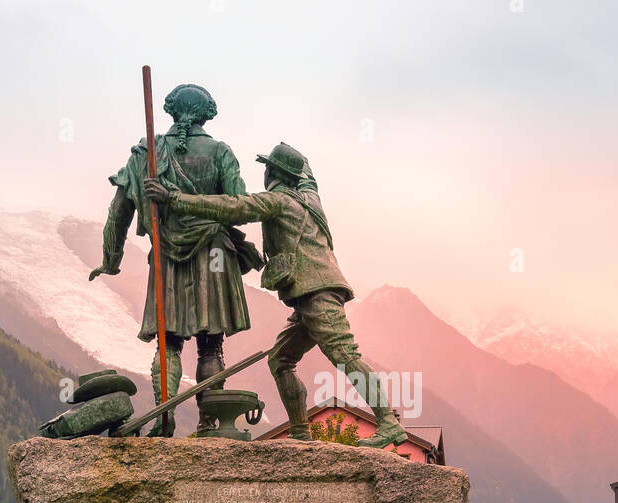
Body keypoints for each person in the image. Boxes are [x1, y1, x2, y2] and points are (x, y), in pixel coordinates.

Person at [143, 142, 407, 449]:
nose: (264, 171)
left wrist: (173, 199)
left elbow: (230, 206)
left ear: (274, 172)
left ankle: (388, 422)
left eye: (267, 167)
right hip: (309, 297)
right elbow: (307, 173)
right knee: (281, 360)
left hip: (316, 293)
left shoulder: (277, 201)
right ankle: (300, 431)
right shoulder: (310, 197)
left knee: (346, 356)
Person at [89, 83, 262, 435]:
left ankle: (164, 419)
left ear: (172, 111)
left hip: (167, 255)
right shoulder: (219, 152)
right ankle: (209, 424)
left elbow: (117, 213)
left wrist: (111, 259)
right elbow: (240, 208)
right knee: (211, 342)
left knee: (167, 341)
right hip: (214, 254)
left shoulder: (146, 154)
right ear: (205, 113)